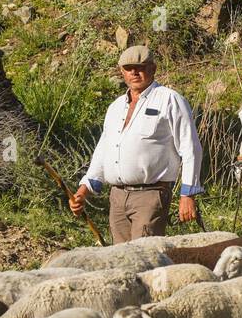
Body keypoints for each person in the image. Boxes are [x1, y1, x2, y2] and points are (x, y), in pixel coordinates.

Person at [68, 45, 203, 243]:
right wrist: (84, 189)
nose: (134, 72)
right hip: (117, 197)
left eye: (140, 67)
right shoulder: (115, 107)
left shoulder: (169, 99)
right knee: (121, 260)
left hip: (150, 196)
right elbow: (104, 151)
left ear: (152, 69)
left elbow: (191, 148)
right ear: (121, 71)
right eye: (128, 68)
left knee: (145, 258)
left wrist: (188, 194)